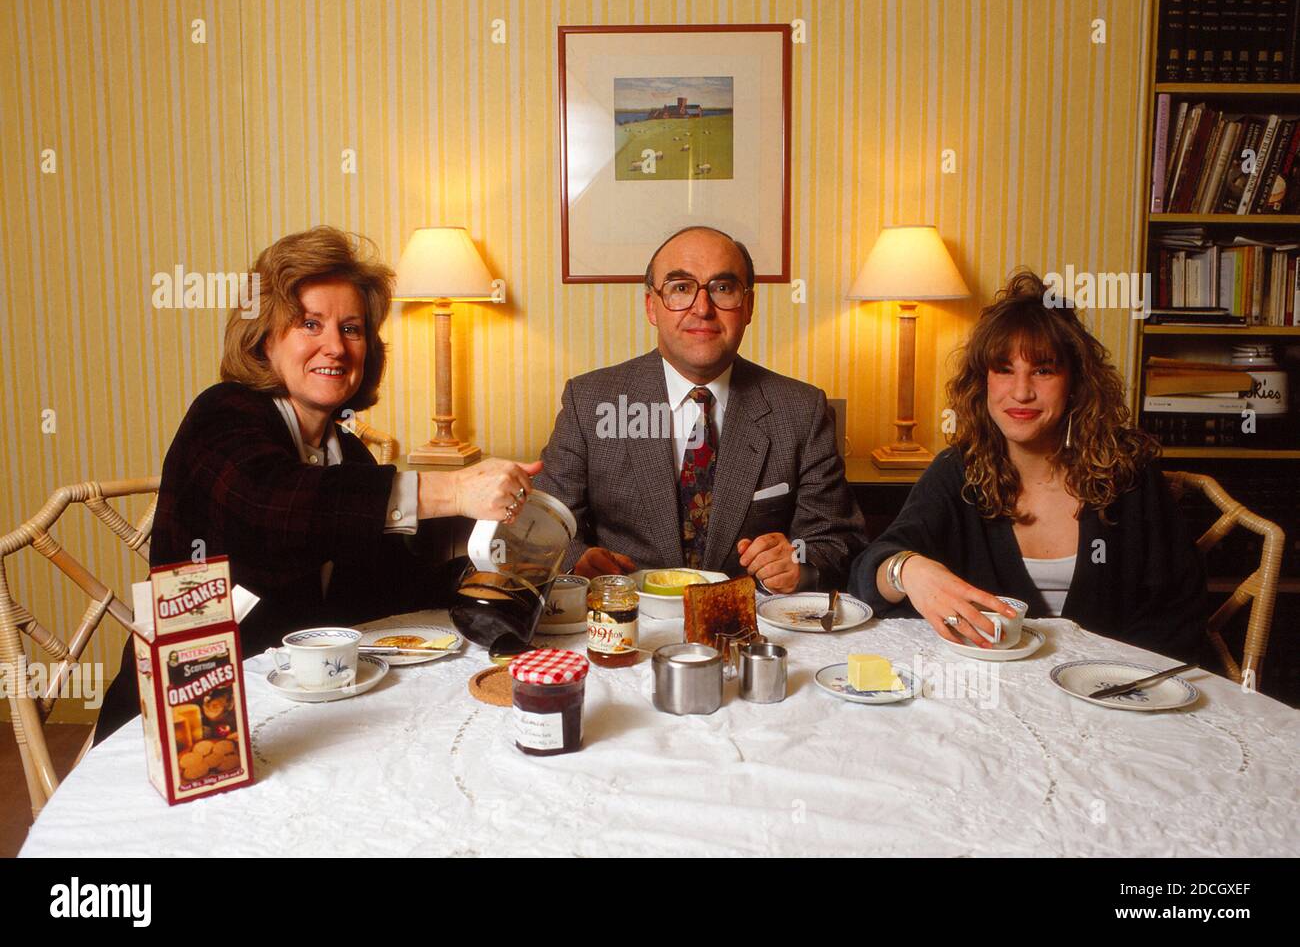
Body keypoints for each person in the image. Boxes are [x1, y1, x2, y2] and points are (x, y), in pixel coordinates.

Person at [96, 226, 541, 742]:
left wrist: (518, 569)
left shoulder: (347, 453)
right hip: (191, 720)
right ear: (265, 338)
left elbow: (391, 588)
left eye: (352, 329)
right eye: (310, 324)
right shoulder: (221, 415)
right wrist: (455, 491)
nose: (335, 347)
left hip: (307, 710)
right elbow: (274, 505)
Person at [849, 269, 1210, 664]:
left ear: (1075, 381)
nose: (1021, 392)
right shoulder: (959, 470)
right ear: (983, 381)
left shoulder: (1128, 472)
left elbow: (1179, 614)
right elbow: (867, 575)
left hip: (1115, 687)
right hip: (995, 686)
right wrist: (907, 570)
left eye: (1043, 370)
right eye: (1004, 369)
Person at [535, 226, 866, 592]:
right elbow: (543, 529)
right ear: (651, 306)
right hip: (628, 614)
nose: (703, 308)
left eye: (722, 288)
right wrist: (575, 560)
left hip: (749, 617)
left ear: (748, 307)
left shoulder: (802, 410)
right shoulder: (590, 402)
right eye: (681, 288)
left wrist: (801, 565)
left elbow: (838, 541)